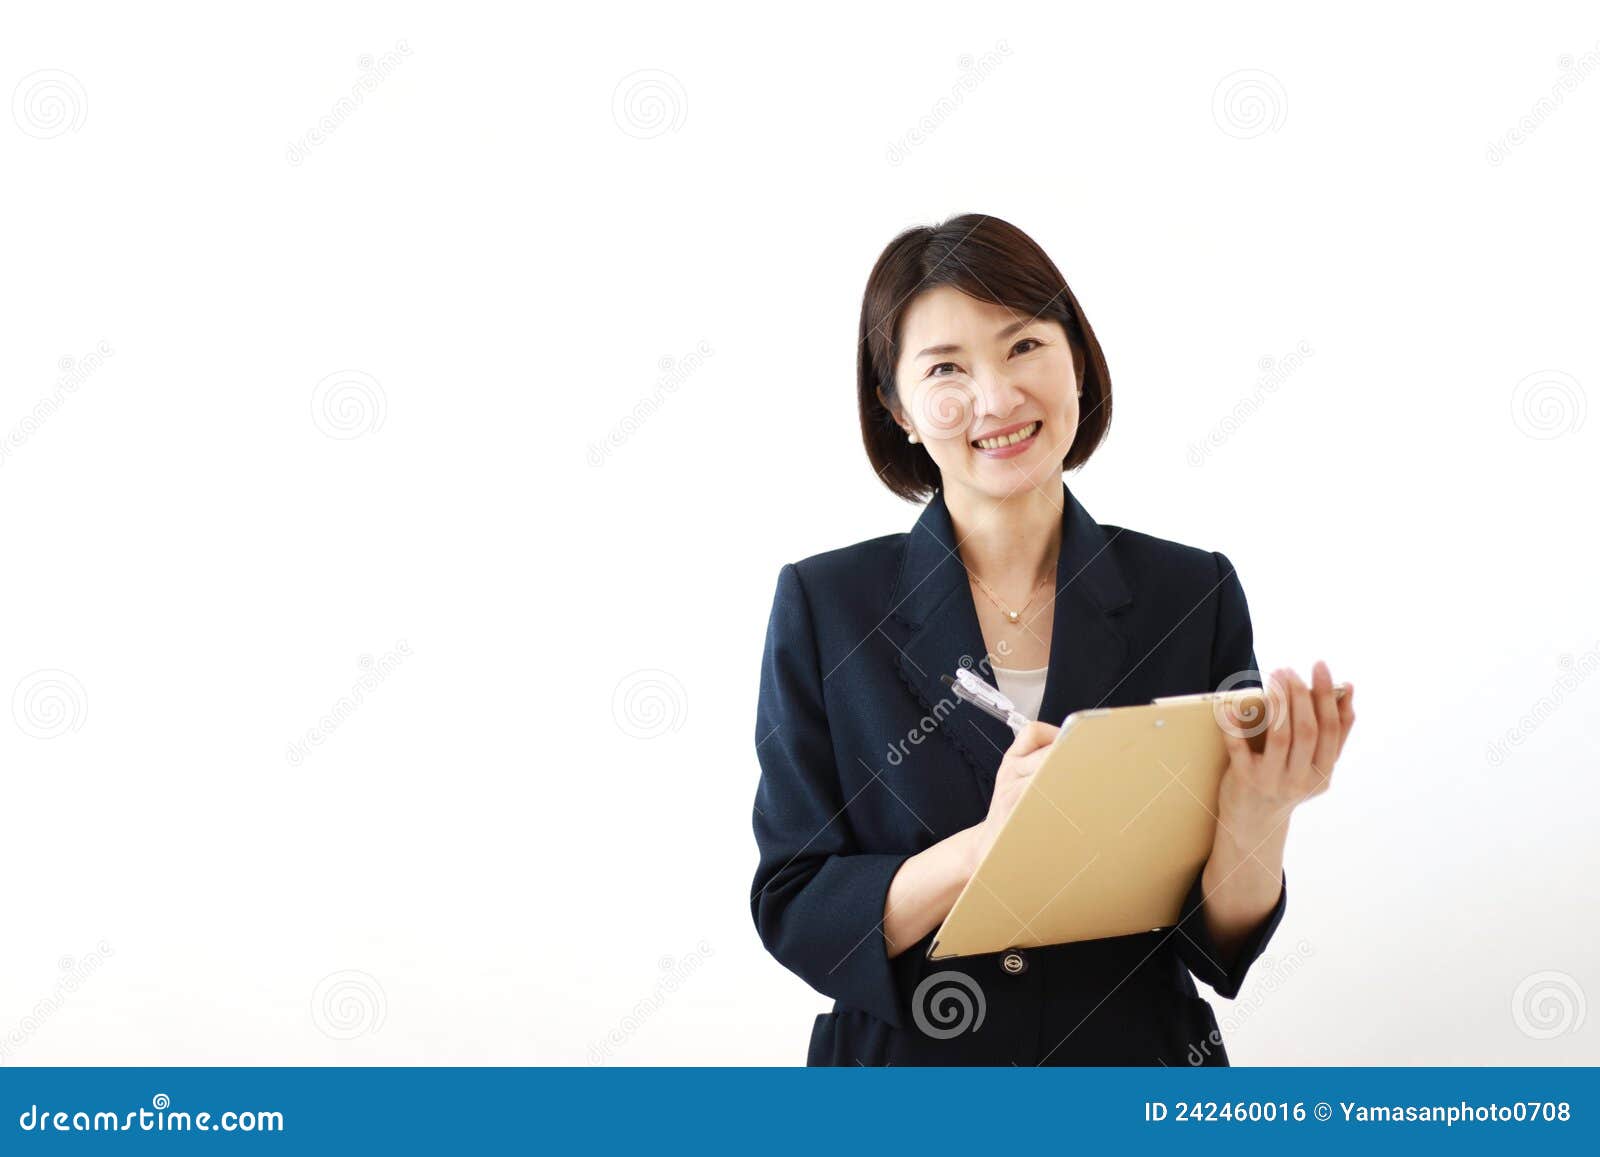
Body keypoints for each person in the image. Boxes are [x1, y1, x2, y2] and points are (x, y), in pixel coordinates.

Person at [750, 214, 1356, 1065]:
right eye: (946, 368)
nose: (997, 399)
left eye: (1024, 346)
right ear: (898, 408)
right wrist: (987, 849)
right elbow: (797, 907)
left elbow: (1217, 946)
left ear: (1078, 361)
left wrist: (1261, 813)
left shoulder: (1192, 592)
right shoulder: (827, 606)